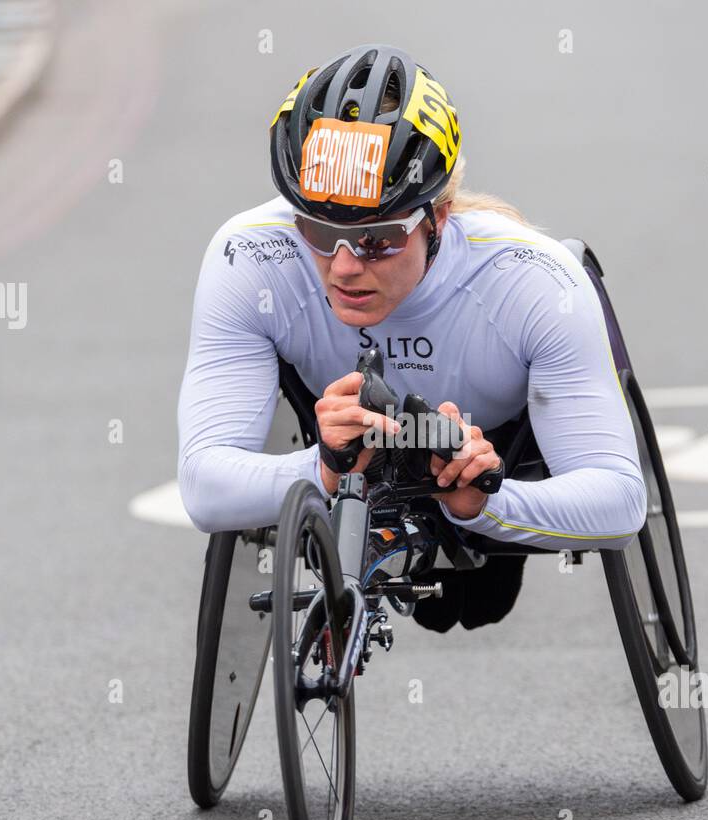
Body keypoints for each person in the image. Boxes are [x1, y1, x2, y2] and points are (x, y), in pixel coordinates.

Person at [177, 44, 646, 629]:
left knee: (474, 605)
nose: (344, 266)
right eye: (319, 231)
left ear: (438, 217)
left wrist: (487, 503)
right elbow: (203, 485)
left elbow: (623, 502)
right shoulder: (250, 256)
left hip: (495, 455)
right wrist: (320, 470)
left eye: (378, 239)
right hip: (343, 453)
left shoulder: (535, 280)